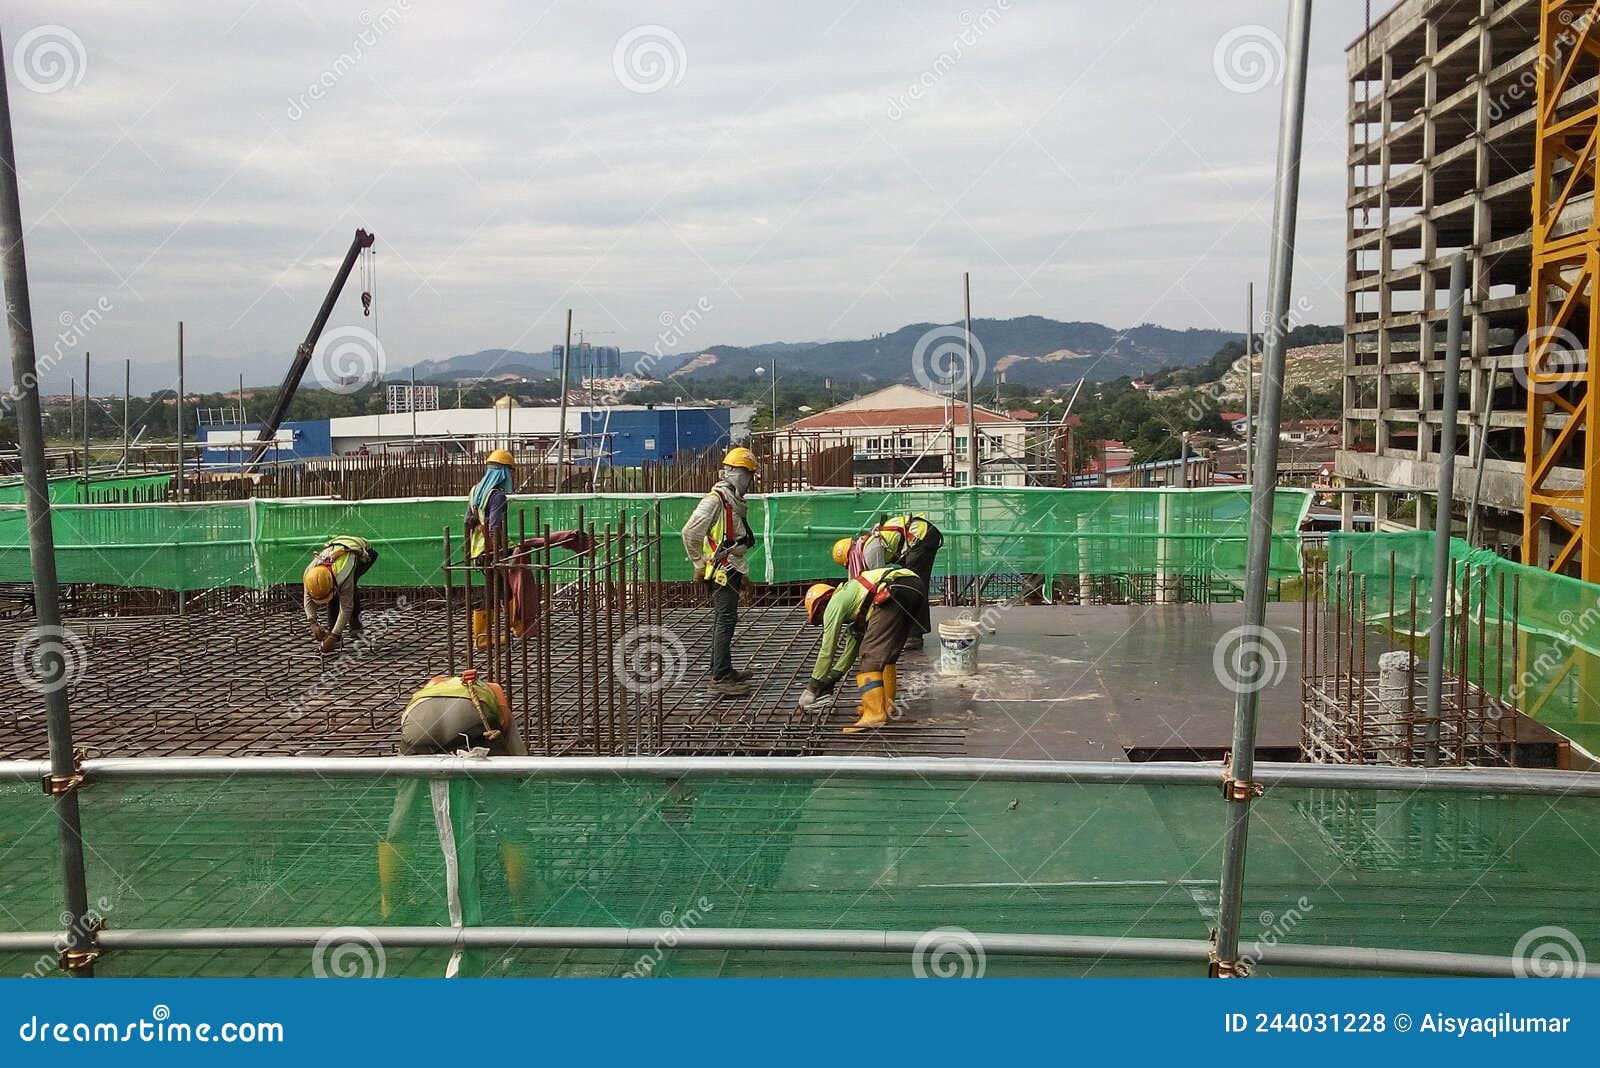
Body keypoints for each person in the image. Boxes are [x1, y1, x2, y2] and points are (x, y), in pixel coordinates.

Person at [797, 565, 927, 733]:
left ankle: (874, 714)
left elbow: (827, 650)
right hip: (914, 587)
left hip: (894, 589)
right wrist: (831, 679)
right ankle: (886, 705)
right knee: (887, 656)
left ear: (821, 606)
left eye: (819, 618)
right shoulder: (857, 602)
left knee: (869, 656)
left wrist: (812, 687)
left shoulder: (835, 603)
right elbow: (849, 652)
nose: (823, 621)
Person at [682, 446, 758, 697]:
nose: (751, 481)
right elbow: (689, 533)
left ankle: (723, 668)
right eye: (748, 474)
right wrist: (699, 564)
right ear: (737, 473)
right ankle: (720, 678)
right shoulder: (715, 500)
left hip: (731, 567)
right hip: (721, 570)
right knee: (725, 619)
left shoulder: (732, 499)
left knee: (726, 618)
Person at [833, 513, 943, 650]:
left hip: (923, 536)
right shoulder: (864, 547)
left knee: (916, 586)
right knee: (906, 586)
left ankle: (914, 636)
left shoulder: (869, 553)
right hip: (915, 540)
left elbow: (879, 584)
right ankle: (907, 631)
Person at [465, 449, 515, 650]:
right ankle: (482, 638)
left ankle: (518, 626)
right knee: (493, 590)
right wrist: (495, 552)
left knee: (504, 589)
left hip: (479, 550)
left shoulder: (476, 490)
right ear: (504, 472)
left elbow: (468, 521)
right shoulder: (497, 495)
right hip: (492, 550)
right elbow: (494, 526)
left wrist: (469, 550)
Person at [302, 535, 379, 652]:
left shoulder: (343, 574)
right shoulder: (310, 574)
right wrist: (312, 622)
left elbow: (346, 607)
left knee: (344, 593)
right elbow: (307, 597)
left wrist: (333, 636)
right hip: (338, 548)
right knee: (337, 594)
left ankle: (355, 628)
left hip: (363, 552)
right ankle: (345, 631)